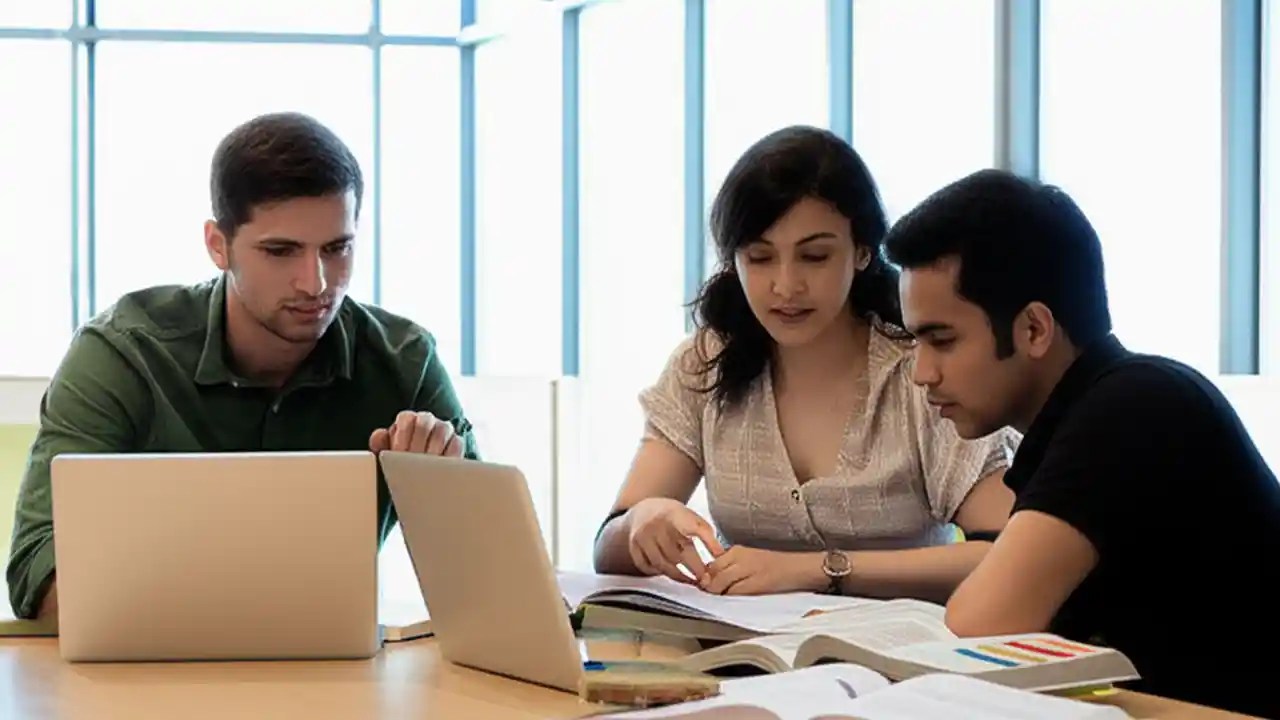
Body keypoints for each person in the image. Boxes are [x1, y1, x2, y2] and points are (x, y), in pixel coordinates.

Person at [6, 112, 478, 621]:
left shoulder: (405, 361)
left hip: (339, 679)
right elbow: (36, 568)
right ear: (217, 245)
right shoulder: (124, 354)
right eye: (281, 251)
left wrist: (441, 499)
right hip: (148, 678)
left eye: (337, 249)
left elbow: (494, 579)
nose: (315, 283)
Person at [885, 168, 1280, 717]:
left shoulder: (1133, 406)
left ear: (1034, 330)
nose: (921, 372)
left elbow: (980, 628)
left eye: (942, 340)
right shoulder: (1090, 414)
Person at [593, 126, 1020, 602]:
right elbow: (609, 546)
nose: (786, 286)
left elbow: (1004, 551)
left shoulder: (918, 372)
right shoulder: (706, 362)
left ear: (861, 251)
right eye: (759, 258)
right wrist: (641, 522)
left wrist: (820, 569)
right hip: (745, 656)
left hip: (897, 661)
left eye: (814, 256)